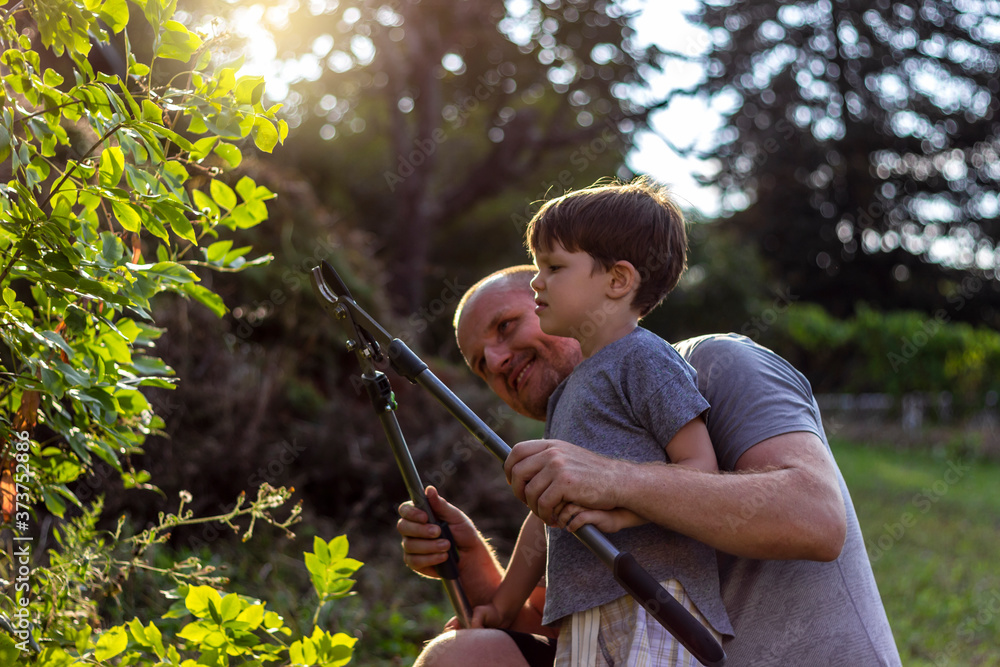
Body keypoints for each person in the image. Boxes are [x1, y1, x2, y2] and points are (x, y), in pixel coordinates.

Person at [399, 234, 901, 665]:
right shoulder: (570, 449)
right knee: (463, 657)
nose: (495, 360)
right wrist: (472, 566)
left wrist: (616, 481)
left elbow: (815, 518)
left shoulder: (714, 363)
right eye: (480, 365)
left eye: (505, 327)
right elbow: (573, 623)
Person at [469, 180, 732, 665]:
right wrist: (503, 604)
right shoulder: (568, 391)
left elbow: (701, 470)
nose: (536, 282)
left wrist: (621, 513)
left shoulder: (645, 358)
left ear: (617, 280)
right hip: (583, 612)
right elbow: (545, 514)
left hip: (656, 599)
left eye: (553, 267)